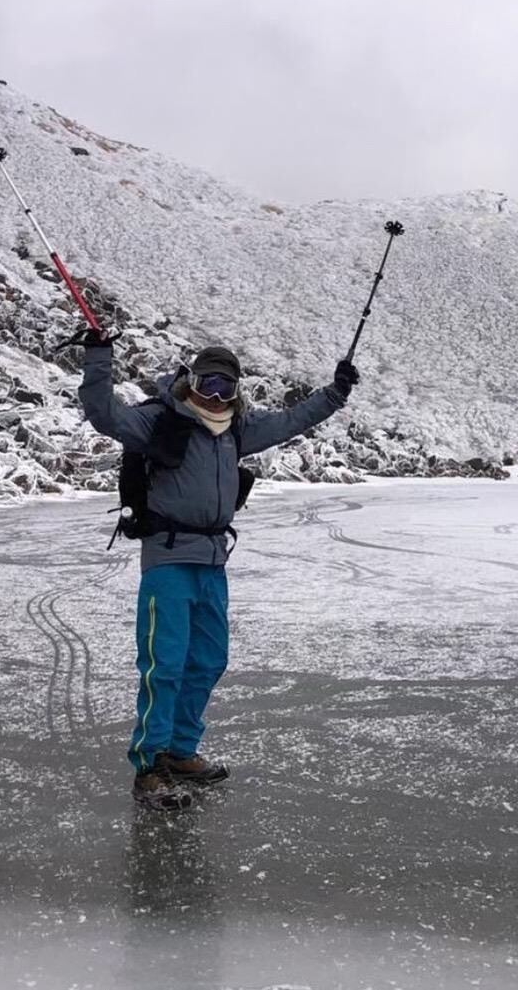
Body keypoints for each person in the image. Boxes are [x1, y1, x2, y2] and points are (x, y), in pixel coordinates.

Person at [77, 328, 358, 810]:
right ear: (190, 380)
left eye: (226, 388)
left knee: (207, 661)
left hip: (212, 563)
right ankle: (149, 767)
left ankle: (182, 751)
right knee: (163, 665)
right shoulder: (160, 423)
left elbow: (293, 420)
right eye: (208, 383)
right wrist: (99, 355)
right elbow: (104, 414)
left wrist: (334, 394)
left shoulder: (237, 430)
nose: (215, 395)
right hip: (167, 561)